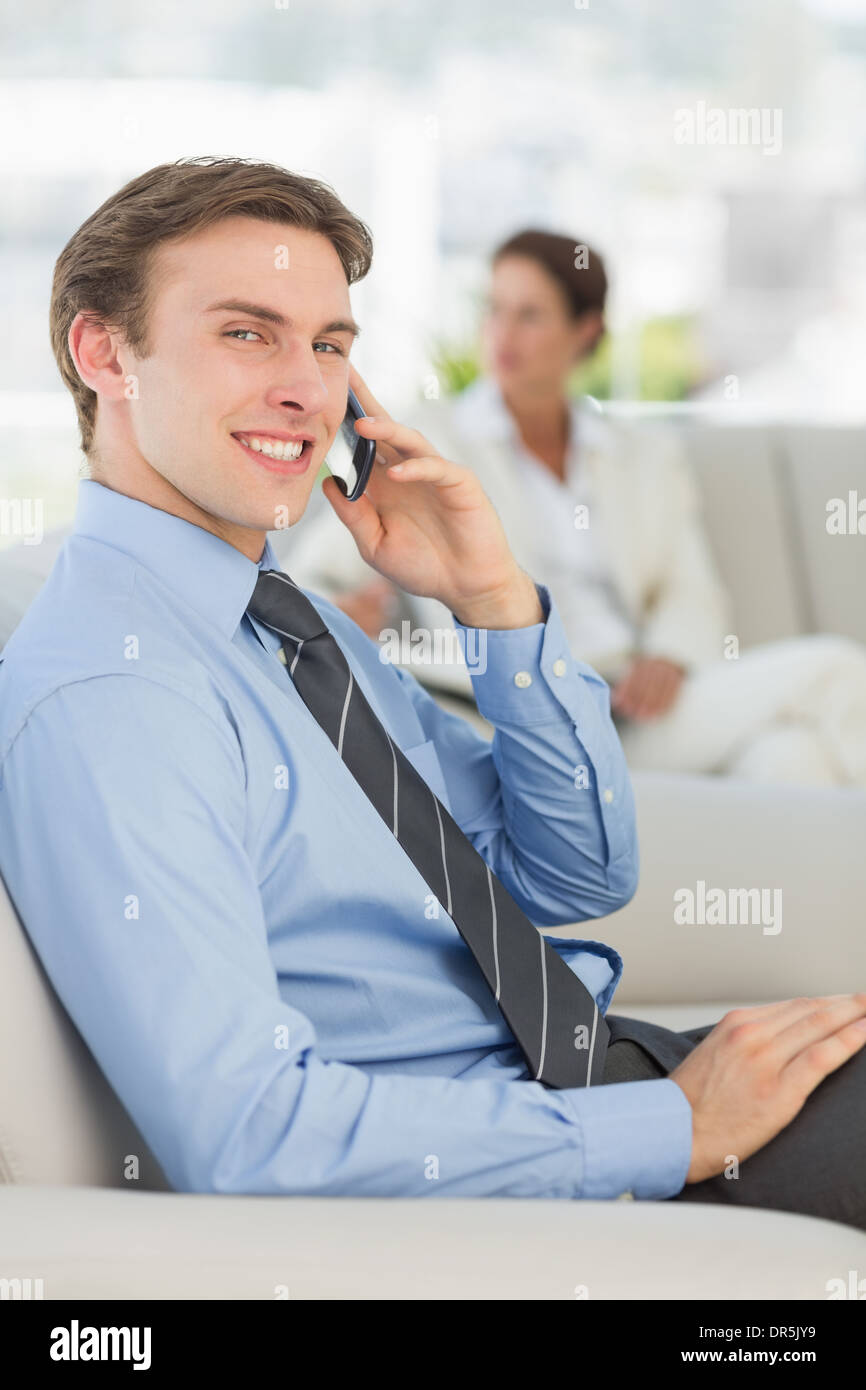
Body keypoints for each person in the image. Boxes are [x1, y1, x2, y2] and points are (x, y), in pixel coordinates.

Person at [0, 158, 864, 1230]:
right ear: (103, 353)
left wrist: (495, 601)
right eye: (246, 332)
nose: (306, 388)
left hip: (590, 1080)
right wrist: (670, 1128)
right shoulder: (115, 691)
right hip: (525, 1149)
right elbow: (247, 1129)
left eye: (327, 345)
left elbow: (576, 873)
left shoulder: (286, 629)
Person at [284, 230, 866, 788]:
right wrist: (342, 611)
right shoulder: (428, 440)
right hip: (514, 711)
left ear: (585, 331)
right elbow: (318, 573)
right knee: (837, 670)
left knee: (794, 763)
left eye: (530, 314)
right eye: (495, 309)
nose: (503, 333)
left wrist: (670, 656)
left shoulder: (644, 456)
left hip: (632, 712)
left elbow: (690, 589)